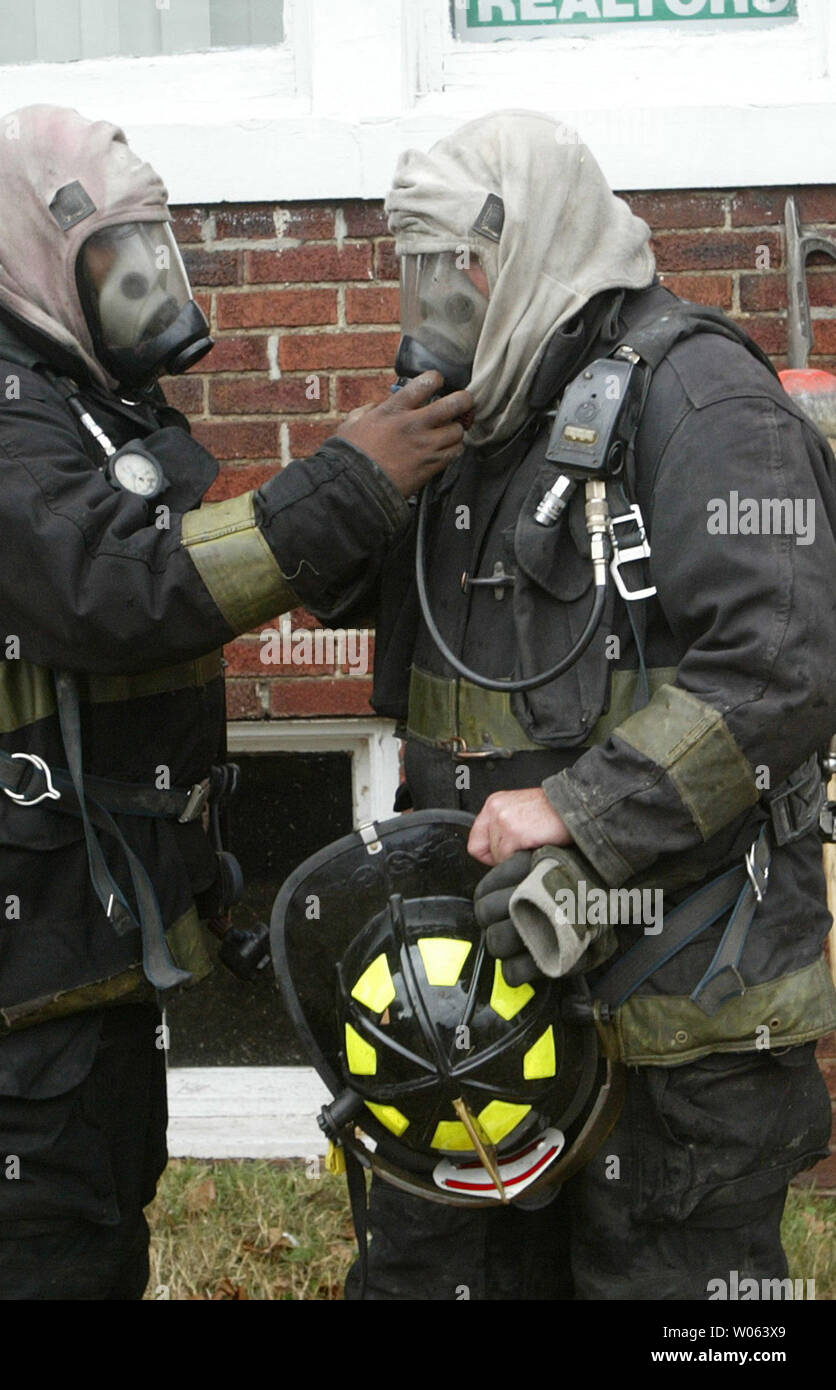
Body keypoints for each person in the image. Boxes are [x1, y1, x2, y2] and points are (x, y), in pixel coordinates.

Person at [0, 104, 472, 1300]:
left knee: (94, 1231)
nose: (145, 288)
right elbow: (120, 588)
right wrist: (347, 482)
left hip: (65, 954)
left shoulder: (54, 384)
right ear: (33, 253)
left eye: (151, 255)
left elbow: (146, 571)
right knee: (19, 1260)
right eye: (115, 263)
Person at [334, 109, 836, 1300]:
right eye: (418, 269)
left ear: (531, 243)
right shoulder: (473, 424)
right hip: (489, 996)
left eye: (457, 262)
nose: (437, 298)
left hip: (681, 1013)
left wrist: (575, 807)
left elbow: (785, 663)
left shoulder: (702, 399)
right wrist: (349, 479)